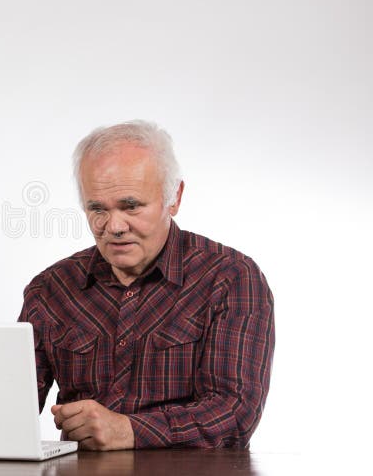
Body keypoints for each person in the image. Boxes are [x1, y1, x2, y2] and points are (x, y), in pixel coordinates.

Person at [18, 121, 274, 450]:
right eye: (97, 209)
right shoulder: (50, 290)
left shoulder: (231, 278)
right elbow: (7, 415)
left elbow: (235, 414)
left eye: (131, 206)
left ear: (174, 198)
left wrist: (129, 430)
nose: (114, 226)